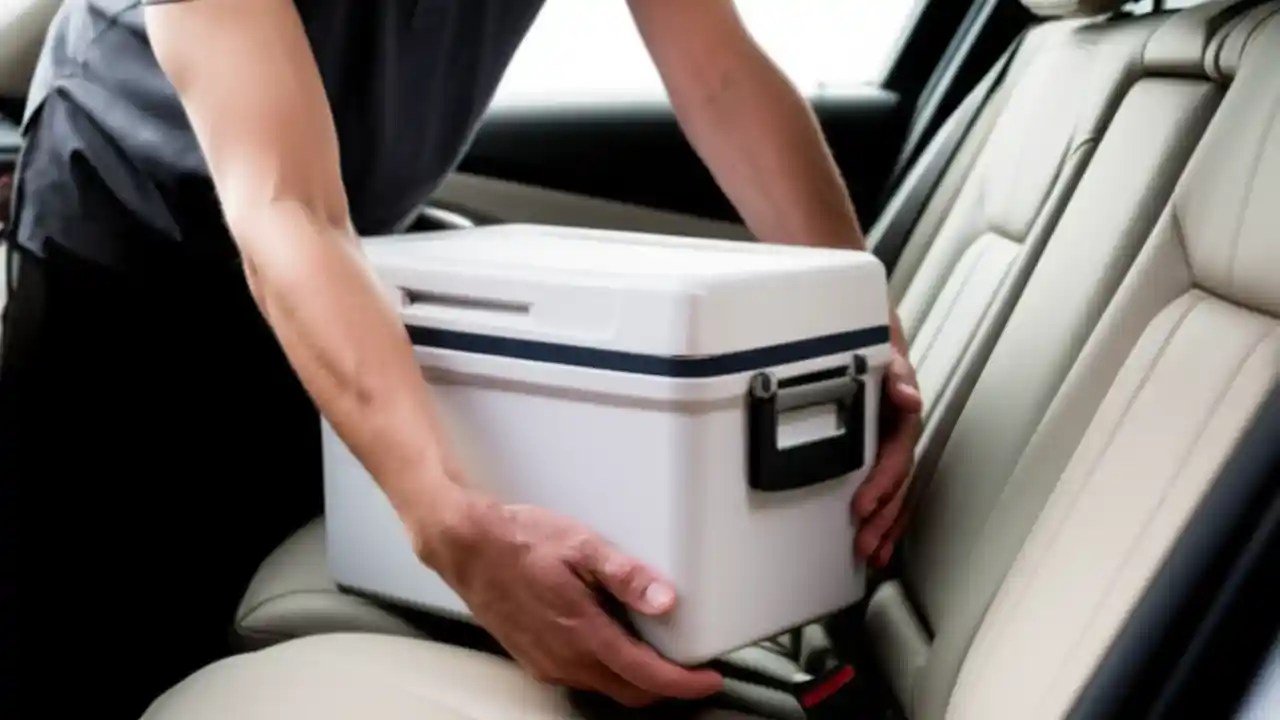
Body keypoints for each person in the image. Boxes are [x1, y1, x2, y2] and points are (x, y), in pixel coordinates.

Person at [0, 0, 923, 716]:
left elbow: (721, 76)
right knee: (100, 637)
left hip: (351, 261)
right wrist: (448, 520)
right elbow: (286, 207)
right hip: (130, 238)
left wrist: (860, 333)